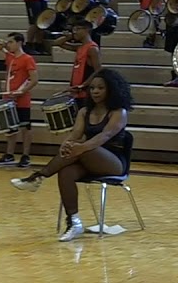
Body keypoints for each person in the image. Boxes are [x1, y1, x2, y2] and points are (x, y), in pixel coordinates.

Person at [10, 69, 133, 242]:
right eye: (92, 88)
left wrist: (79, 147)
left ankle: (38, 177)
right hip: (85, 156)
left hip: (113, 161)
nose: (95, 91)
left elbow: (103, 136)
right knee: (66, 172)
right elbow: (75, 134)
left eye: (101, 88)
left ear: (111, 90)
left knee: (85, 148)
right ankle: (74, 222)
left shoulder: (119, 112)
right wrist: (66, 144)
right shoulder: (84, 112)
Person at [0, 33, 37, 168]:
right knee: (10, 128)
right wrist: (1, 45)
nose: (9, 44)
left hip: (21, 99)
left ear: (19, 43)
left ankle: (25, 155)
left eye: (11, 42)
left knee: (25, 127)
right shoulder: (10, 58)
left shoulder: (27, 59)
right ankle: (9, 154)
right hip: (9, 98)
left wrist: (21, 92)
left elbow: (34, 79)